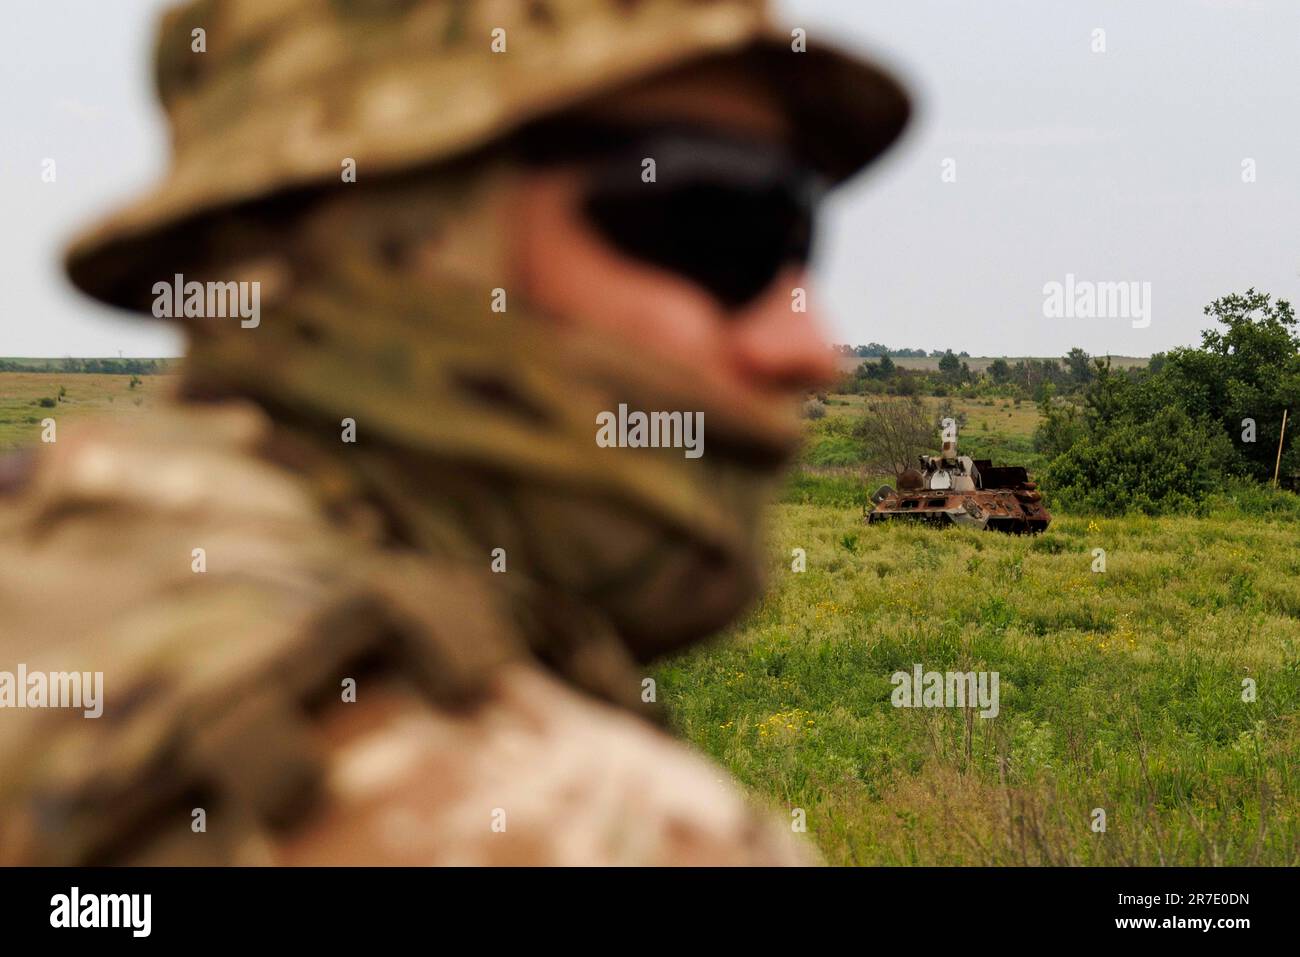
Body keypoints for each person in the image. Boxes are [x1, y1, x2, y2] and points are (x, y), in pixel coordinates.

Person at [0, 0, 908, 865]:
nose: (809, 346)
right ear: (399, 233)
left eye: (801, 234)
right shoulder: (595, 829)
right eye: (715, 222)